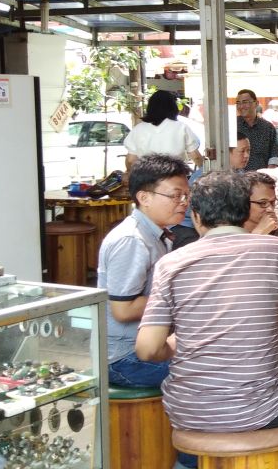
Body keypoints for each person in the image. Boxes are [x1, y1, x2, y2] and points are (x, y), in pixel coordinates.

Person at [135, 171, 278, 469]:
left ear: (196, 217)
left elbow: (147, 349)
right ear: (244, 212)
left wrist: (181, 341)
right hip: (259, 409)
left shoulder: (170, 264)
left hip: (186, 410)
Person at [99, 154, 191, 387]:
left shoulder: (156, 233)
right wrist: (184, 296)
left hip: (147, 347)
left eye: (186, 195)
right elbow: (123, 309)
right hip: (124, 358)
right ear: (144, 198)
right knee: (216, 369)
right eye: (175, 195)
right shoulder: (132, 239)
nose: (184, 202)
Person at [170, 133, 252, 249]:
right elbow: (194, 211)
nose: (246, 155)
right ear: (226, 153)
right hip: (190, 227)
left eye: (248, 151)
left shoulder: (240, 173)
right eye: (242, 151)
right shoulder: (205, 176)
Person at [124, 90, 204, 170]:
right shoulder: (181, 127)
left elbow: (130, 160)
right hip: (175, 174)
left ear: (150, 107)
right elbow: (196, 157)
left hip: (147, 175)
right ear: (173, 107)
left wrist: (129, 172)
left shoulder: (138, 129)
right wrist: (203, 170)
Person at [235, 89, 278, 171]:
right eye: (238, 103)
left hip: (261, 175)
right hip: (238, 176)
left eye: (245, 102)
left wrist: (269, 172)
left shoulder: (268, 127)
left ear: (256, 103)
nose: (241, 106)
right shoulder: (232, 126)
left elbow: (274, 154)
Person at [244, 171, 278, 236]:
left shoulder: (271, 227)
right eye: (263, 203)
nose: (270, 209)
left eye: (272, 202)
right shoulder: (228, 231)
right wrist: (259, 232)